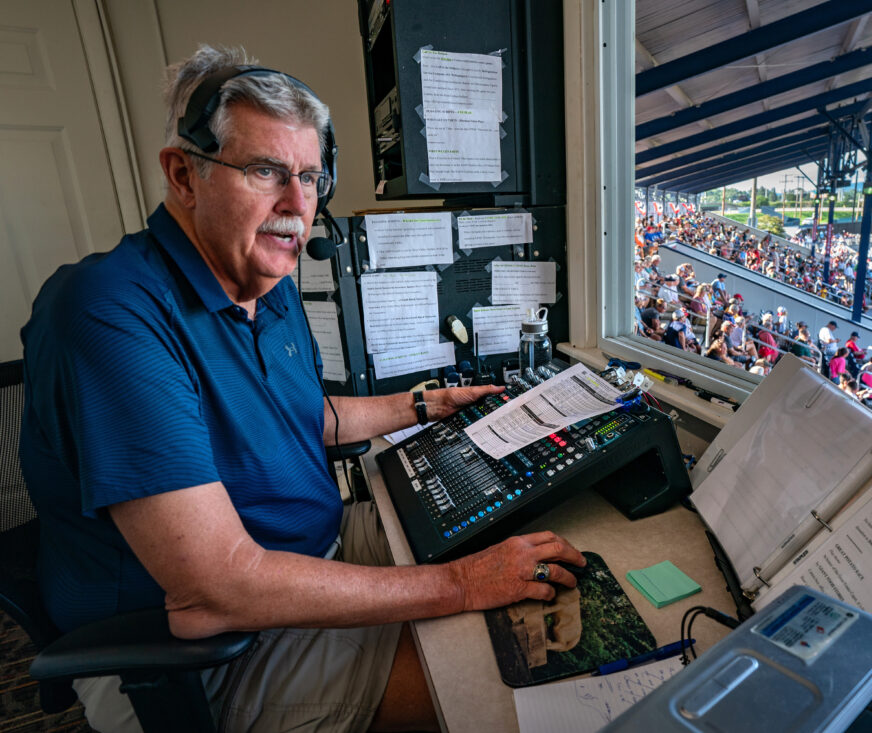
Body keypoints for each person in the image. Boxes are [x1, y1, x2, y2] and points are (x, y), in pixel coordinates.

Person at [19, 46, 584, 733]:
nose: (298, 206)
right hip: (204, 653)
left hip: (313, 553)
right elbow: (215, 589)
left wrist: (424, 406)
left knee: (520, 546)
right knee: (505, 673)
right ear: (183, 174)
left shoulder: (267, 283)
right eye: (265, 171)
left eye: (312, 176)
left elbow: (302, 417)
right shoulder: (109, 310)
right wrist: (460, 585)